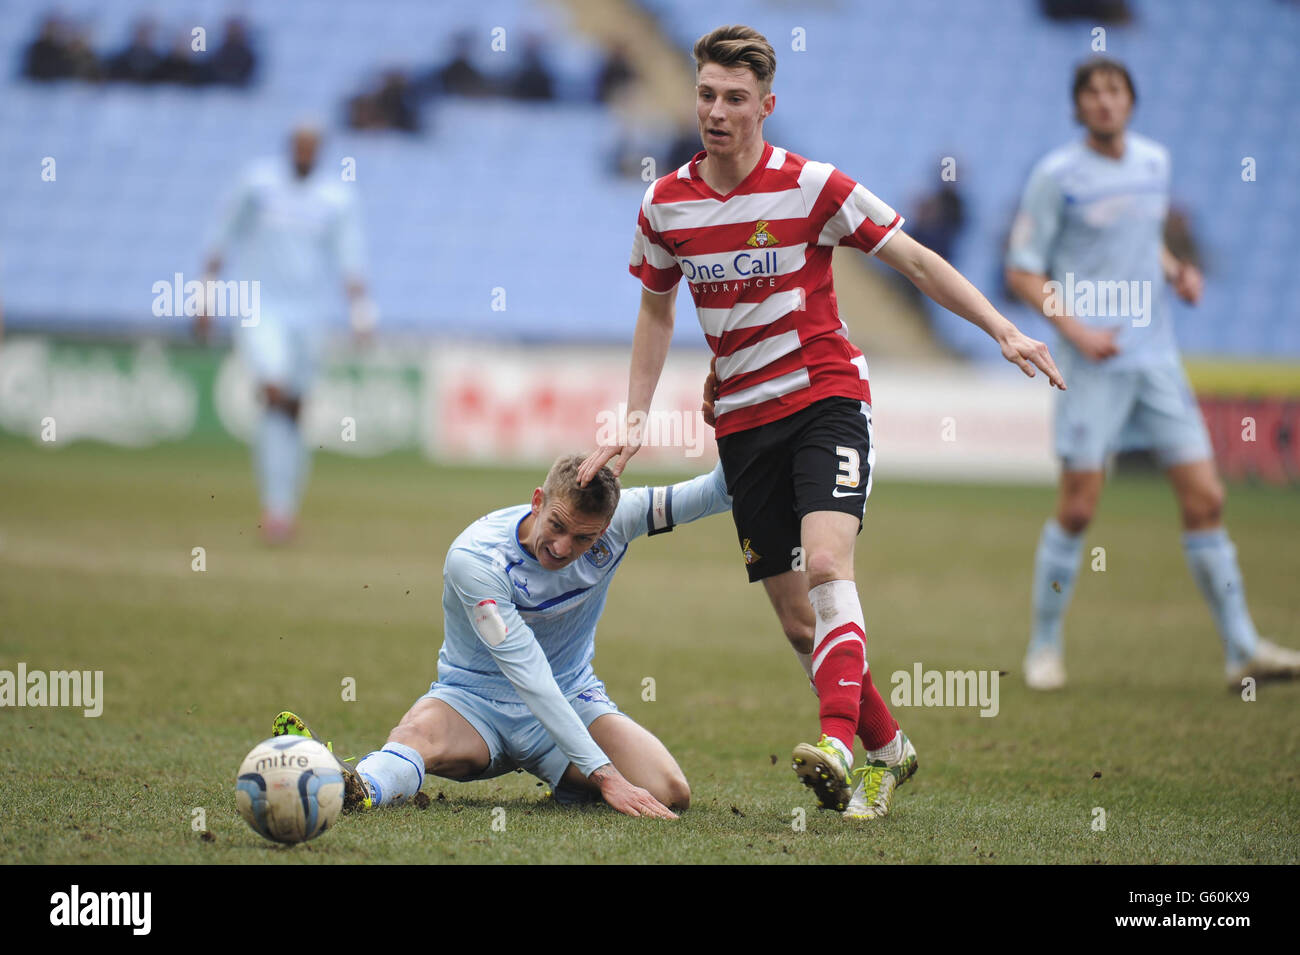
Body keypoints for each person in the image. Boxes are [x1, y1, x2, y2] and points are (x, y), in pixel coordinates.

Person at [579, 25, 1064, 821]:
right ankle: (889, 751)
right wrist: (634, 414)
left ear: (767, 106)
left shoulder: (814, 186)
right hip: (741, 424)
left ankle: (836, 742)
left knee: (829, 567)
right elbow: (656, 311)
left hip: (825, 399)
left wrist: (1001, 328)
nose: (717, 111)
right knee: (802, 624)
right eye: (706, 94)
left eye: (736, 98)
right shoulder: (664, 203)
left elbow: (914, 260)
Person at [1006, 57, 1300, 690]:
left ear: (1131, 102)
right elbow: (1023, 271)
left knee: (1207, 499)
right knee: (1079, 508)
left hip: (1157, 358)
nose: (1105, 102)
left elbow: (1142, 241)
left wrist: (1174, 271)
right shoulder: (1056, 176)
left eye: (1115, 91)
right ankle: (1045, 647)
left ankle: (1242, 648)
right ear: (1078, 106)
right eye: (1093, 92)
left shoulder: (1154, 163)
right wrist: (1077, 329)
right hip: (1092, 364)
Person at [274, 455, 733, 818]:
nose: (562, 548)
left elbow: (720, 491)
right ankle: (356, 787)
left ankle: (571, 786)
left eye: (584, 540)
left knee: (671, 791)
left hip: (573, 697)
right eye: (557, 525)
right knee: (417, 736)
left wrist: (734, 418)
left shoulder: (623, 519)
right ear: (537, 500)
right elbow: (529, 675)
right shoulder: (475, 558)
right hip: (474, 703)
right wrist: (605, 773)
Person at [196, 125, 376, 544]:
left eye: (312, 148)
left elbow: (351, 257)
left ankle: (281, 508)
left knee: (292, 412)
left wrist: (362, 314)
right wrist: (204, 295)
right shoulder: (258, 184)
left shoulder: (337, 198)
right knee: (275, 390)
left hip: (310, 316)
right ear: (288, 147)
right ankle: (277, 506)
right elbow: (222, 235)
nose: (305, 154)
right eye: (299, 146)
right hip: (261, 308)